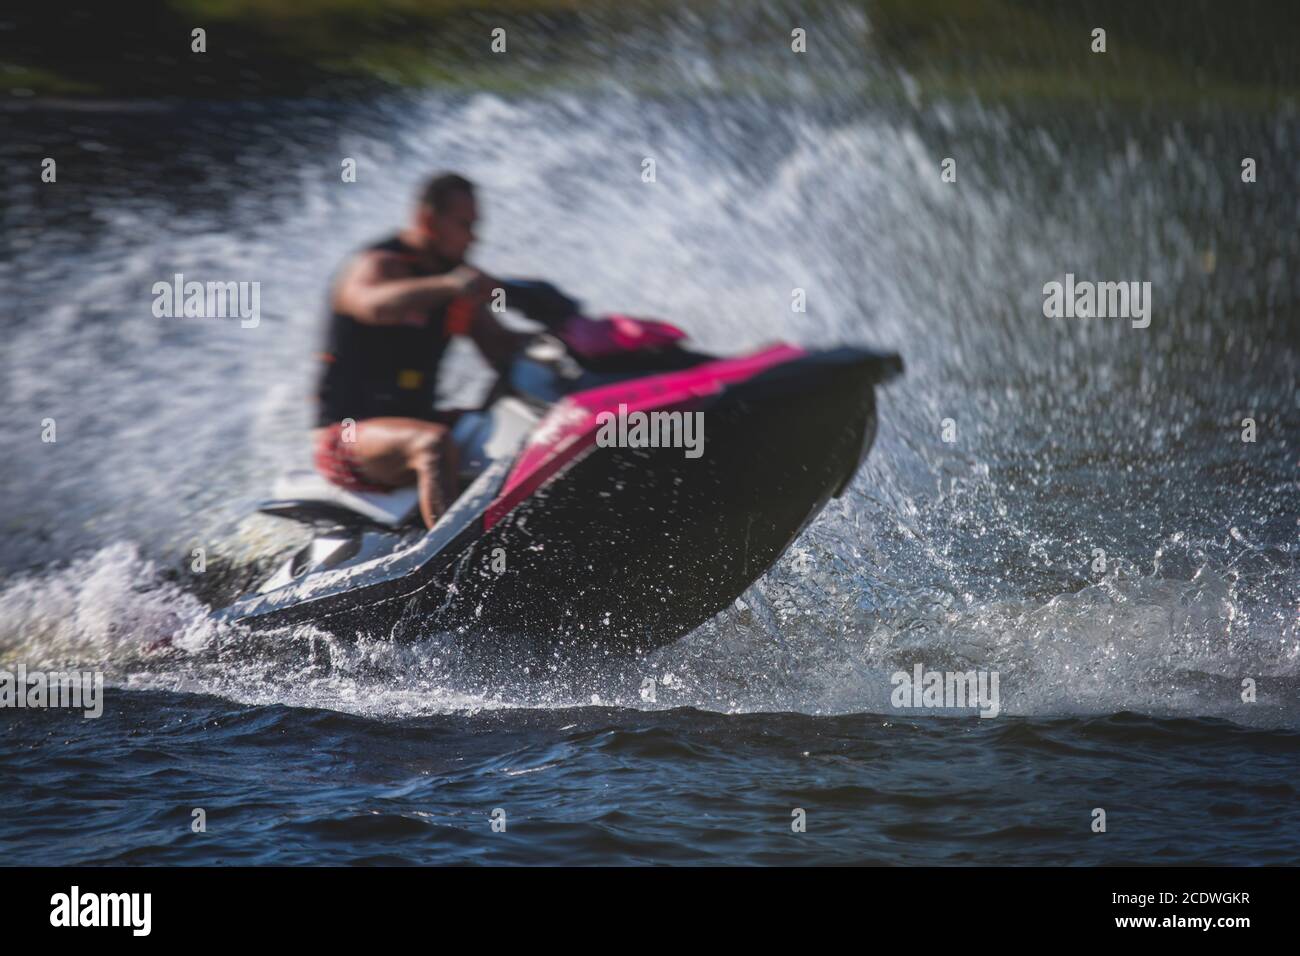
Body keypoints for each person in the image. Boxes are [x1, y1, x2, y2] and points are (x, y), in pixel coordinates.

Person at [313, 173, 528, 529]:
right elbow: (372, 305)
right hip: (347, 435)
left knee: (515, 421)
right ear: (429, 221)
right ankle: (457, 575)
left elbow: (503, 350)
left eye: (475, 225)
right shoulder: (380, 265)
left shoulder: (455, 285)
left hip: (418, 417)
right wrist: (449, 286)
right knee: (432, 445)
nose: (474, 237)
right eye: (465, 224)